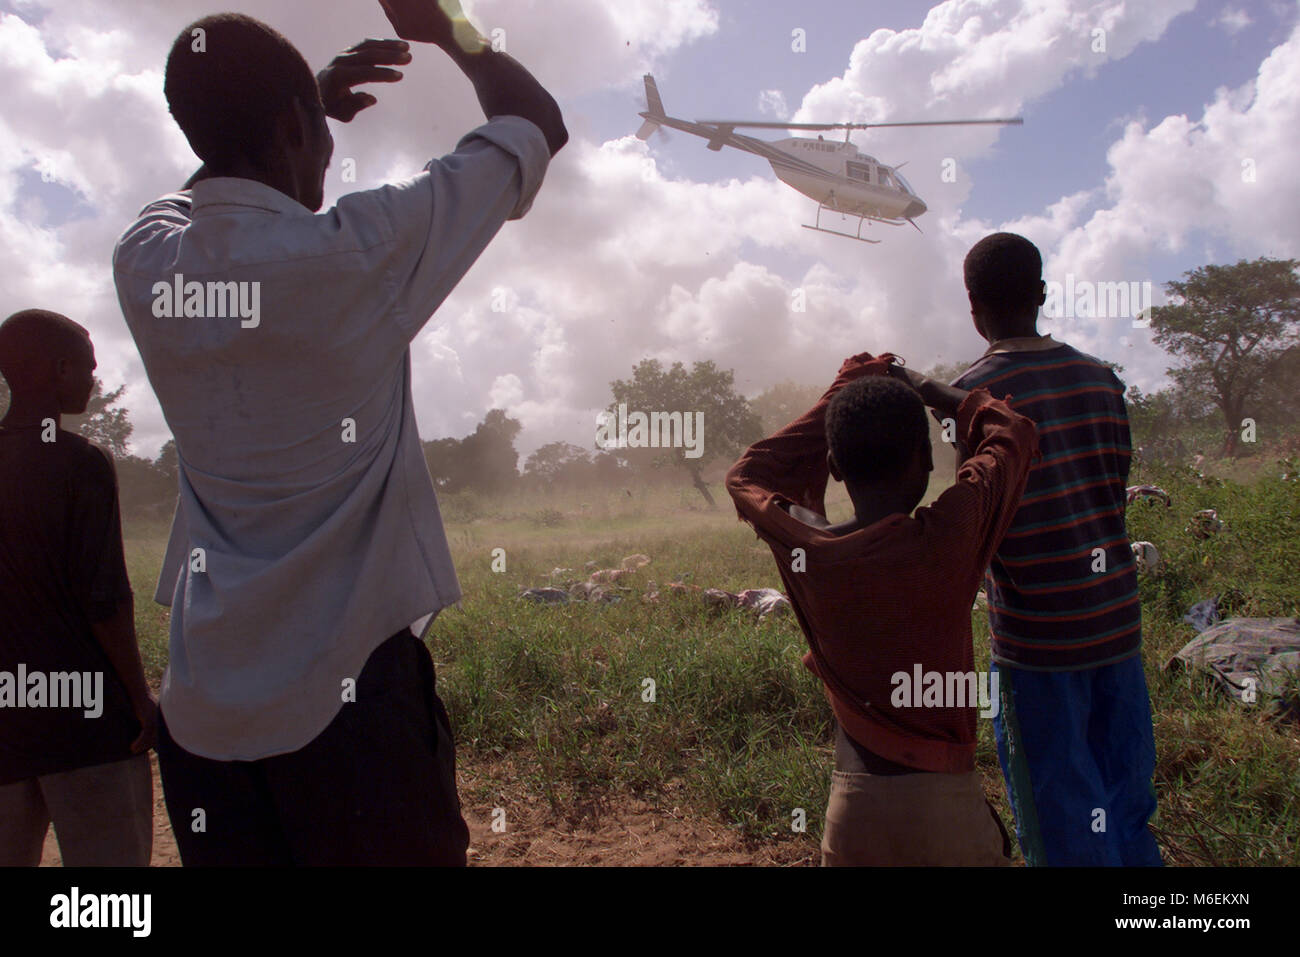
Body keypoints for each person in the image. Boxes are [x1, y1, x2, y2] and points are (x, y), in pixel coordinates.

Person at [111, 2, 566, 865]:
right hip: (352, 710)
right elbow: (536, 125)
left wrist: (295, 102)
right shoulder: (360, 251)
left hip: (205, 715)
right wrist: (450, 30)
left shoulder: (144, 264)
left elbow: (191, 190)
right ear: (294, 127)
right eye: (313, 131)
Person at [725, 351, 1038, 865]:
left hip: (852, 813)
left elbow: (746, 475)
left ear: (833, 465)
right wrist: (924, 386)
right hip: (946, 808)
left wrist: (846, 386)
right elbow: (1013, 432)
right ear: (928, 459)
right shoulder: (950, 536)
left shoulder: (805, 547)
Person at [952, 232, 1163, 866]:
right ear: (1042, 295)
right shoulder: (1103, 381)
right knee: (1126, 799)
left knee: (1061, 813)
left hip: (1038, 646)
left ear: (972, 307)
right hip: (1117, 626)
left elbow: (977, 521)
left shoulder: (974, 400)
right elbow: (1110, 493)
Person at [0, 309, 157, 866]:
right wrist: (140, 700)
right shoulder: (81, 463)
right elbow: (104, 598)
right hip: (86, 723)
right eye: (88, 367)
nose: (93, 378)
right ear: (57, 368)